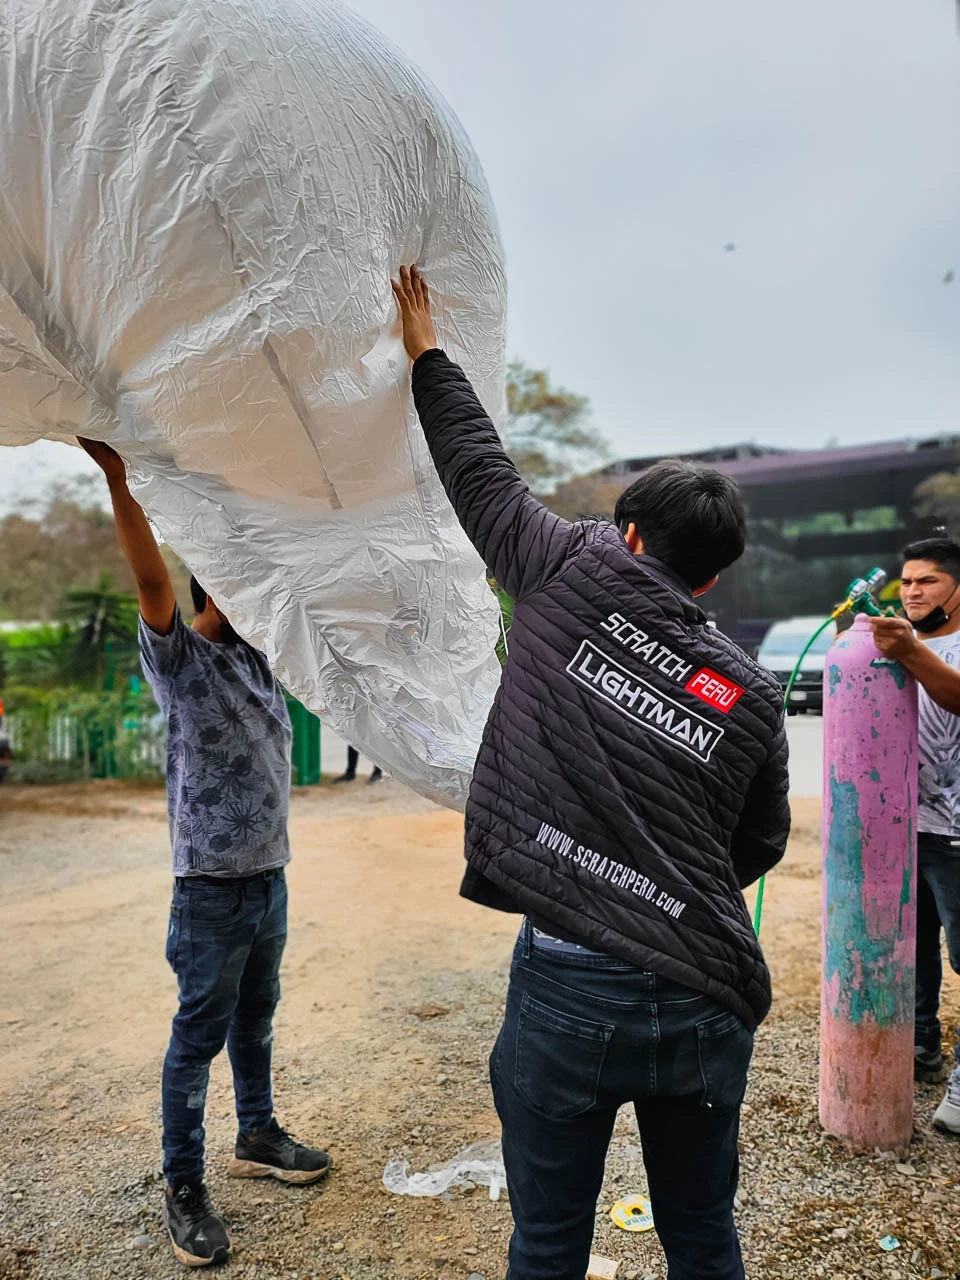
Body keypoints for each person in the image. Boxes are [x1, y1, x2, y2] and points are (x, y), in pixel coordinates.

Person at [390, 267, 790, 1280]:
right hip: (705, 986)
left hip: (568, 984)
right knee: (702, 1234)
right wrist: (667, 880)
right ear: (712, 574)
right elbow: (759, 844)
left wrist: (427, 352)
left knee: (549, 1241)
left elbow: (478, 470)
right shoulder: (749, 690)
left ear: (631, 534)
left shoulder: (564, 566)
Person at [78, 439, 332, 1269]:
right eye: (245, 584)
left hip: (268, 880)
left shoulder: (262, 660)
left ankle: (256, 1135)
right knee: (197, 1037)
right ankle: (182, 1184)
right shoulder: (181, 660)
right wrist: (121, 480)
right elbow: (152, 582)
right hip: (210, 892)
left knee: (257, 1016)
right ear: (217, 592)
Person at [870, 537, 960, 1136]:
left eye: (927, 581)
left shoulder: (923, 648)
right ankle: (922, 1043)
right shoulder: (901, 642)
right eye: (906, 582)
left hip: (956, 833)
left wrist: (908, 651)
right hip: (907, 827)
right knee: (913, 948)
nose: (912, 592)